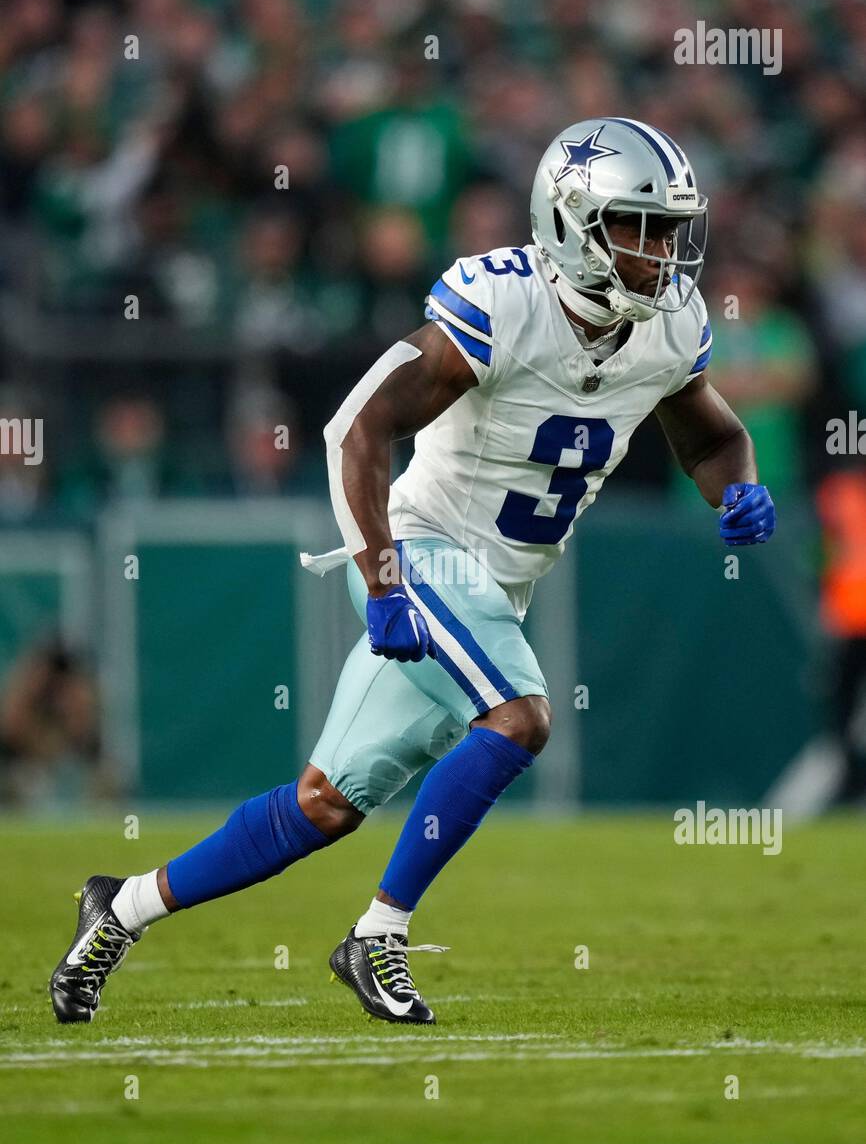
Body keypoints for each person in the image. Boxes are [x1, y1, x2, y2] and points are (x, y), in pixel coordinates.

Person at [49, 118, 776, 1027]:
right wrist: (384, 578)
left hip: (495, 590)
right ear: (572, 224)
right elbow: (358, 428)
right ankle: (378, 935)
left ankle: (119, 910)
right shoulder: (502, 304)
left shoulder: (669, 329)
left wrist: (737, 491)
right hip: (420, 550)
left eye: (671, 230)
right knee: (519, 718)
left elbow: (711, 433)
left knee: (322, 807)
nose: (664, 253)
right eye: (641, 227)